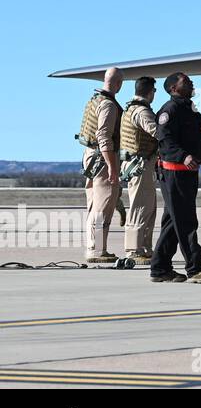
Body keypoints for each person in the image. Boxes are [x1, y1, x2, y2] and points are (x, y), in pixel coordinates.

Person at [151, 72, 201, 283]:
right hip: (173, 173)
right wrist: (182, 156)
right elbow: (165, 140)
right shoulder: (169, 110)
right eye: (186, 81)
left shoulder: (192, 111)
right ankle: (195, 269)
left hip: (188, 176)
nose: (192, 83)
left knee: (172, 222)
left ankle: (160, 269)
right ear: (174, 88)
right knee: (186, 221)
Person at [77, 67, 124, 263]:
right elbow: (104, 137)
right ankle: (97, 250)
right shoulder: (109, 106)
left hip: (90, 155)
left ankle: (92, 246)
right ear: (118, 84)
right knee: (103, 204)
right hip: (101, 157)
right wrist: (112, 166)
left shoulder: (94, 100)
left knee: (93, 204)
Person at [119, 75, 161, 260]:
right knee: (140, 207)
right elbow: (158, 133)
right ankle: (134, 249)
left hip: (139, 163)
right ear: (150, 92)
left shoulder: (130, 108)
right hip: (140, 164)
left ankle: (143, 247)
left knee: (147, 207)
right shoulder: (142, 112)